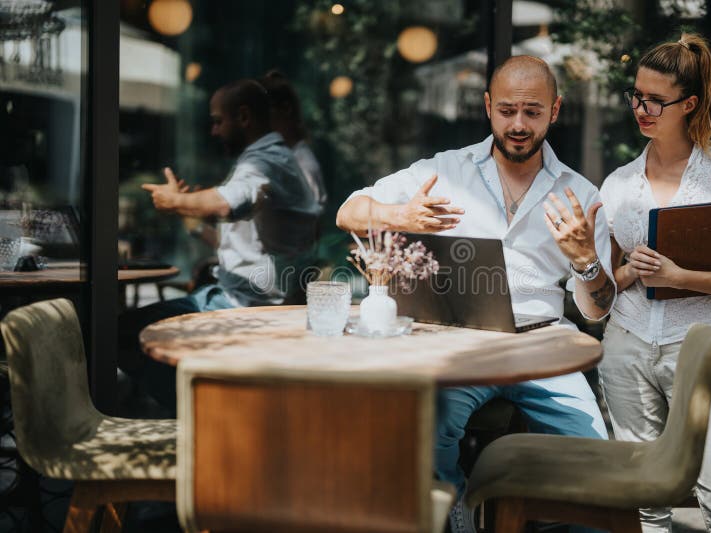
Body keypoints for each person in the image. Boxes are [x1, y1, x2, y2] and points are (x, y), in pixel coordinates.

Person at [337, 56, 615, 533]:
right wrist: (398, 216)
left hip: (541, 342)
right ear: (488, 107)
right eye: (507, 110)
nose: (519, 124)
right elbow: (348, 211)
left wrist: (585, 259)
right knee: (428, 426)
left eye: (532, 111)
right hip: (461, 341)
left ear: (555, 110)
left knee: (591, 456)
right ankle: (455, 506)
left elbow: (596, 309)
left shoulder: (581, 194)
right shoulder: (445, 171)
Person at [598, 33, 711, 532]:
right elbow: (606, 282)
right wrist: (626, 268)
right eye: (637, 96)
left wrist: (682, 275)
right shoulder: (617, 184)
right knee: (642, 506)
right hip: (626, 346)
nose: (642, 108)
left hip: (698, 350)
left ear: (689, 104)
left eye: (656, 100)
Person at [118, 78, 317, 411]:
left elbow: (229, 202)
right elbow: (239, 217)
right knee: (123, 333)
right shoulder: (270, 157)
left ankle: (206, 416)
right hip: (233, 295)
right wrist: (190, 203)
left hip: (245, 307)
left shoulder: (265, 160)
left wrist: (174, 202)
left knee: (117, 335)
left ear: (243, 117)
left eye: (217, 121)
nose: (213, 131)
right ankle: (201, 412)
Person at [260, 69, 326, 213]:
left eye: (262, 112)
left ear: (285, 109)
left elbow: (308, 227)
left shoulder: (303, 166)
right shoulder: (274, 159)